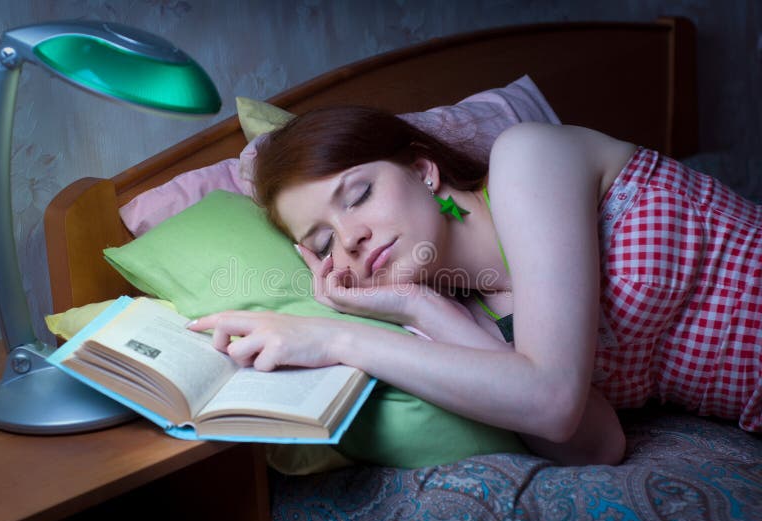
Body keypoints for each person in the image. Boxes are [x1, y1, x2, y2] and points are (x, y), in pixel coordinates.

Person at [188, 106, 762, 466]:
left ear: (422, 169)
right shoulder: (470, 322)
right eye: (323, 244)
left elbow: (553, 399)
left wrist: (333, 339)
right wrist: (417, 305)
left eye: (358, 195)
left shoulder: (528, 157)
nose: (352, 238)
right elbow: (594, 444)